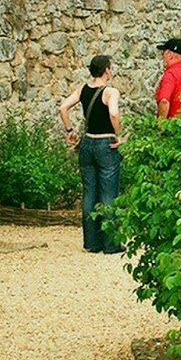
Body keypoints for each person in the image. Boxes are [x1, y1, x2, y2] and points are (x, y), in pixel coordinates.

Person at [58, 53, 124, 253]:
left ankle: (92, 242)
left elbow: (63, 108)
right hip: (106, 143)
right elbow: (113, 113)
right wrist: (119, 134)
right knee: (108, 193)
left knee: (89, 193)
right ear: (107, 70)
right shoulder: (110, 92)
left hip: (87, 143)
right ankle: (110, 243)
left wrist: (70, 131)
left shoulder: (83, 90)